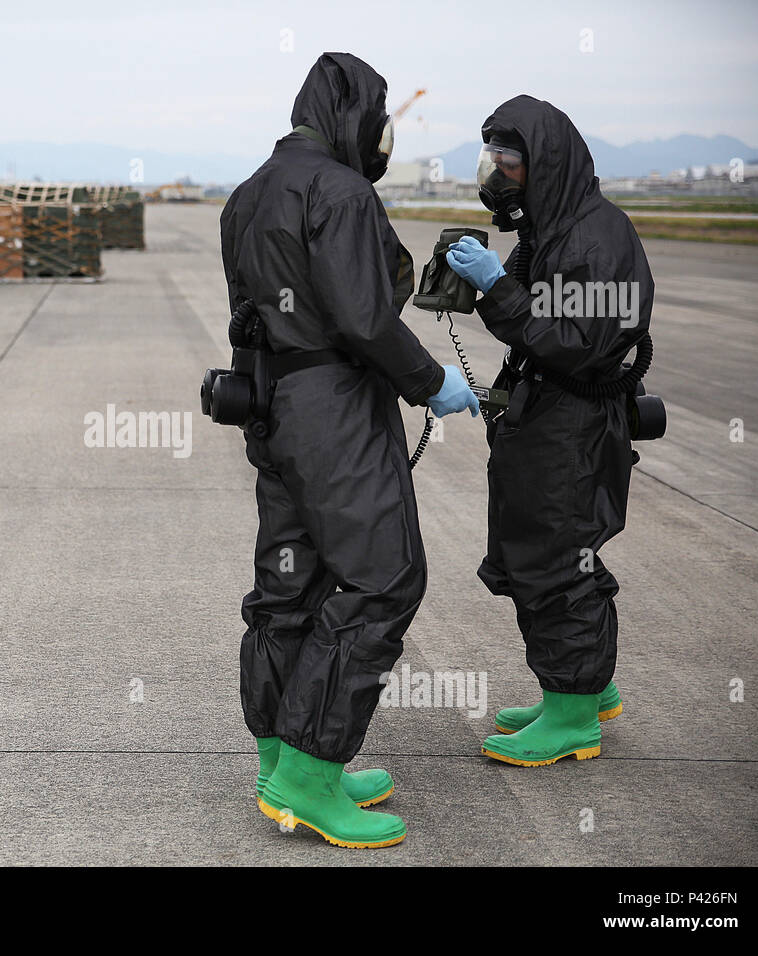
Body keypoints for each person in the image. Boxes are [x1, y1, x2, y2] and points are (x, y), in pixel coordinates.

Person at [219, 52, 478, 849]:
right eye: (379, 117)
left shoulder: (247, 193)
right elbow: (367, 319)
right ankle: (310, 771)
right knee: (382, 578)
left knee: (288, 582)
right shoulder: (342, 191)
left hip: (272, 405)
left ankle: (279, 760)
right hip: (333, 409)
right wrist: (432, 380)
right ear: (355, 116)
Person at [445, 96, 653, 766]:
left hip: (573, 423)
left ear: (546, 165)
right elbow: (527, 321)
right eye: (493, 159)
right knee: (540, 551)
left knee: (559, 561)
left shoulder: (597, 236)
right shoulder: (552, 231)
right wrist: (485, 282)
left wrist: (497, 288)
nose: (498, 173)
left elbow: (573, 341)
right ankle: (578, 689)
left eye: (511, 160)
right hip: (545, 416)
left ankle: (574, 717)